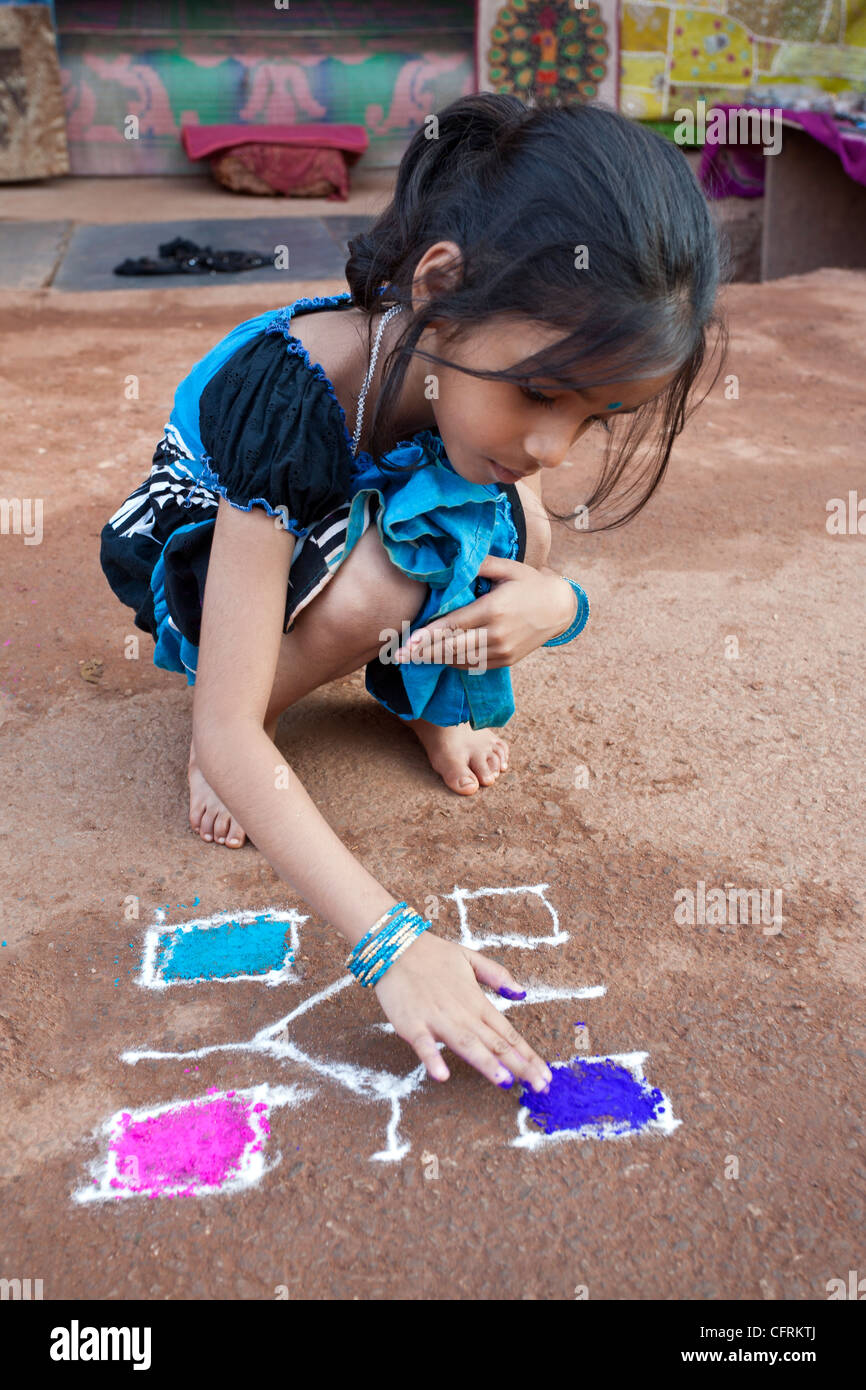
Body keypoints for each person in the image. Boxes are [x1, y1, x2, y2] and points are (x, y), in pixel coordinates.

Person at [100, 93, 724, 1093]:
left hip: (353, 505)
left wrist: (558, 606)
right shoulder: (295, 386)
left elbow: (528, 542)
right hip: (205, 554)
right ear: (439, 284)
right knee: (374, 589)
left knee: (522, 521)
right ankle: (250, 689)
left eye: (592, 419)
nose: (552, 444)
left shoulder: (472, 365)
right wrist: (391, 941)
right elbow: (239, 706)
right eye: (539, 393)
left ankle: (415, 692)